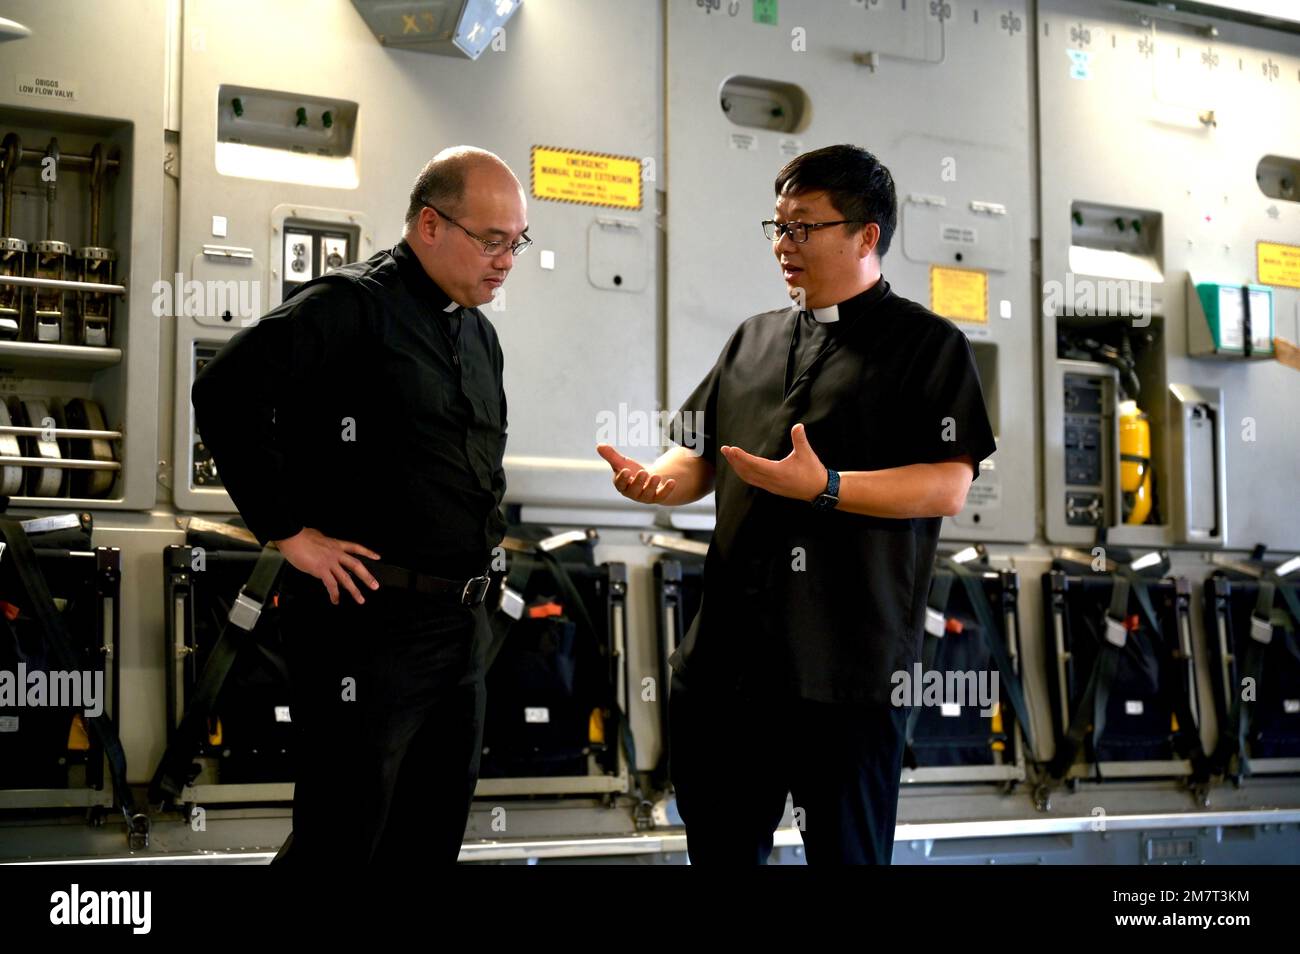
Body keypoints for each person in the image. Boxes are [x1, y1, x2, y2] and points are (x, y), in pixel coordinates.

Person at [597, 144, 996, 864]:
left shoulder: (927, 347)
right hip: (728, 670)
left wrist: (829, 487)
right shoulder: (753, 338)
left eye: (804, 227)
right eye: (778, 227)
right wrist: (656, 482)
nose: (784, 245)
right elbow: (699, 453)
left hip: (846, 678)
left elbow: (948, 483)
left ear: (866, 235)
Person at [191, 145, 530, 864]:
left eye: (517, 243)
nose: (507, 260)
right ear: (431, 226)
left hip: (458, 626)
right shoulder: (352, 306)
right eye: (492, 240)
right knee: (342, 836)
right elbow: (226, 391)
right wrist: (287, 531)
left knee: (427, 837)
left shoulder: (479, 334)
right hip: (367, 624)